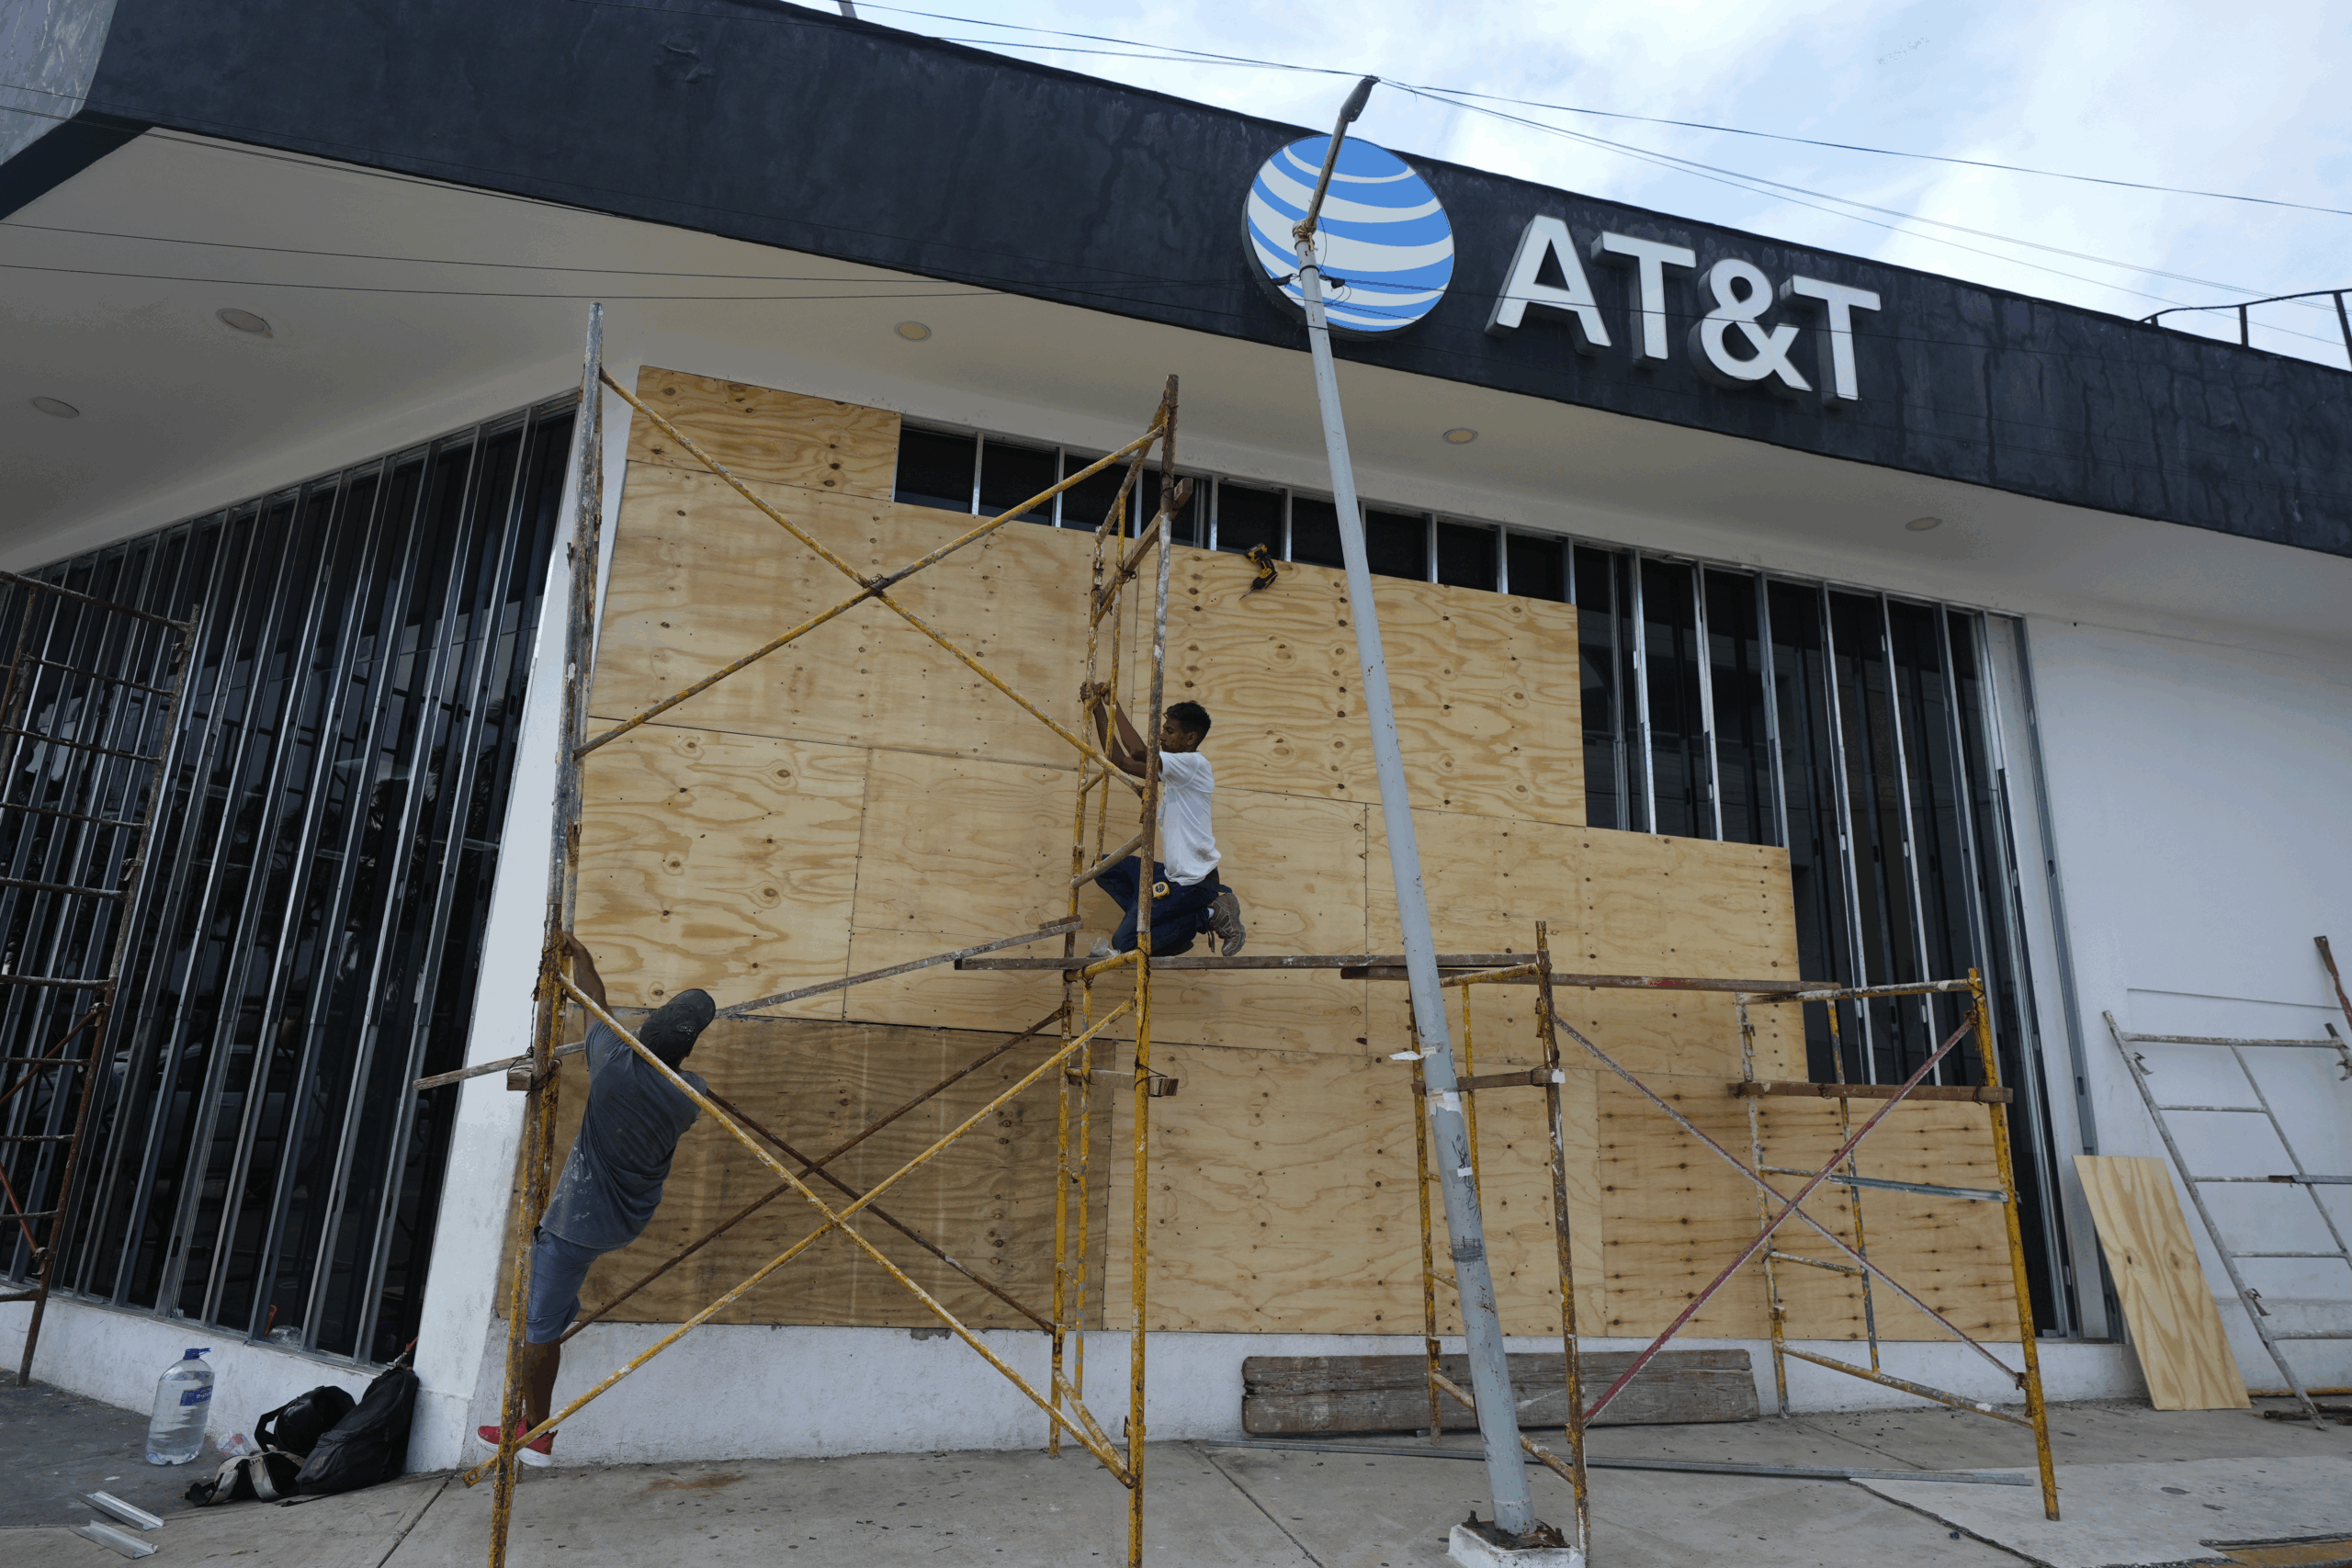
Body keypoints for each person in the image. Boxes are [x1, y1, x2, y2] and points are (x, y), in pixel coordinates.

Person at [478, 935, 715, 1466]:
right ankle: (536, 1398)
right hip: (626, 1221)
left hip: (576, 1223)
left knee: (536, 1328)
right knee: (552, 1313)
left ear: (642, 1034)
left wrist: (579, 958)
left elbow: (592, 1004)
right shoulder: (690, 1094)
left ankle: (537, 1431)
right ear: (689, 1050)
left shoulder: (613, 1064)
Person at [1084, 693, 1246, 958]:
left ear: (1190, 739)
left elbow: (1136, 751)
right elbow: (1120, 760)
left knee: (1123, 942)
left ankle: (1205, 914)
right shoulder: (1174, 773)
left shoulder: (1194, 765)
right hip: (1173, 876)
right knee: (1103, 868)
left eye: (1170, 731)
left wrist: (1114, 703)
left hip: (1196, 881)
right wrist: (1097, 709)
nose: (1161, 737)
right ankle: (1173, 926)